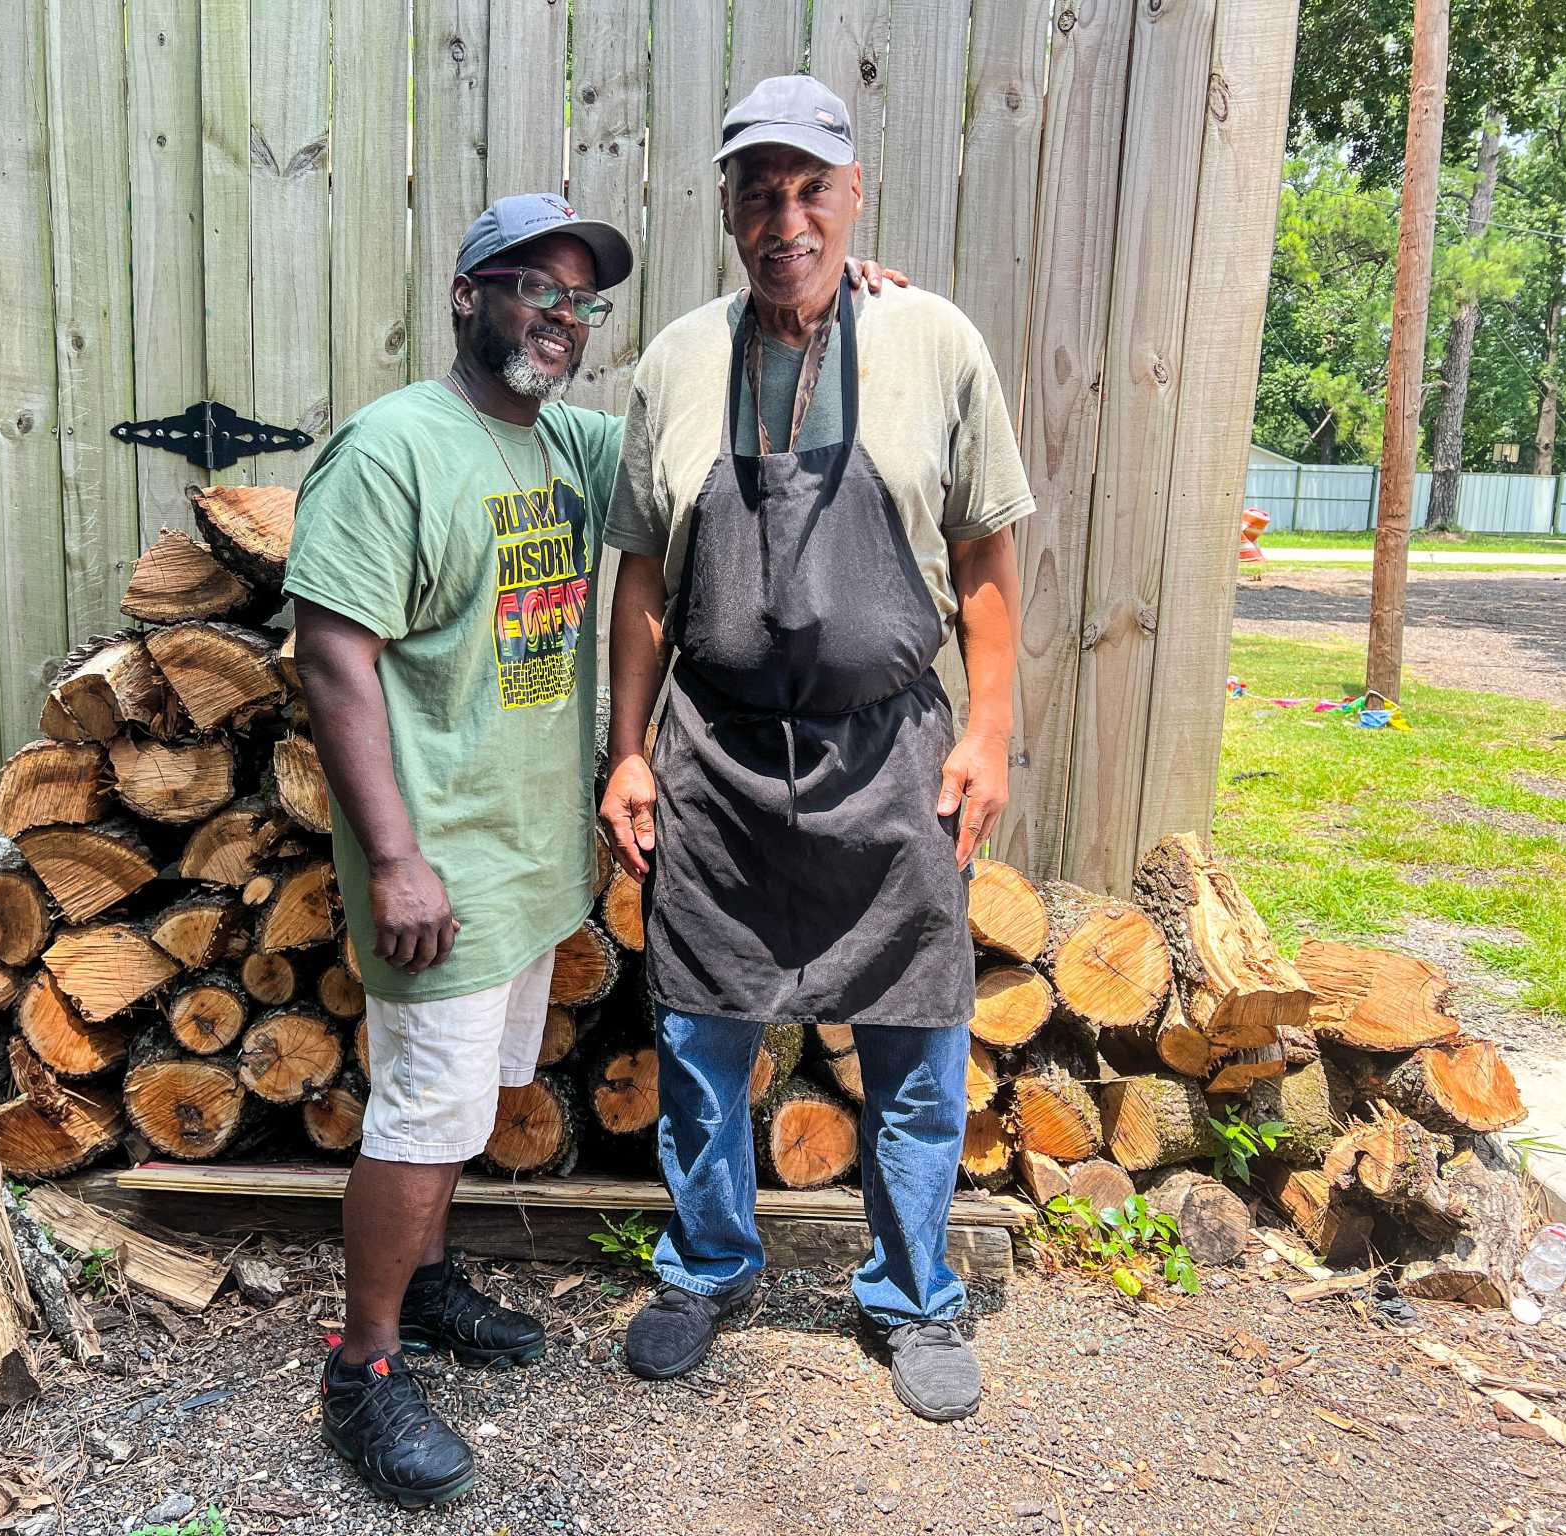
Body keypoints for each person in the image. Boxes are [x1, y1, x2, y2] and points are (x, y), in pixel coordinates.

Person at [286, 191, 905, 1507]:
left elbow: (713, 422)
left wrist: (824, 319)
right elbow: (333, 657)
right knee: (416, 1117)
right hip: (439, 865)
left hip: (524, 865)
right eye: (530, 289)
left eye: (581, 301)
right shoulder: (392, 448)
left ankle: (433, 1282)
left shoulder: (572, 448)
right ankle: (366, 1371)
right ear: (467, 296)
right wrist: (393, 856)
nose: (558, 319)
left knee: (461, 1108)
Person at [598, 76, 1032, 1424]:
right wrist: (626, 750)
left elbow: (985, 556)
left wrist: (993, 729)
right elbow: (643, 584)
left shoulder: (936, 342)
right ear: (725, 207)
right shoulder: (674, 360)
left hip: (892, 755)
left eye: (809, 188)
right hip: (717, 760)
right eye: (757, 189)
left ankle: (910, 1295)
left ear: (853, 196)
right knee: (699, 1035)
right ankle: (708, 1265)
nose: (784, 215)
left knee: (915, 1038)